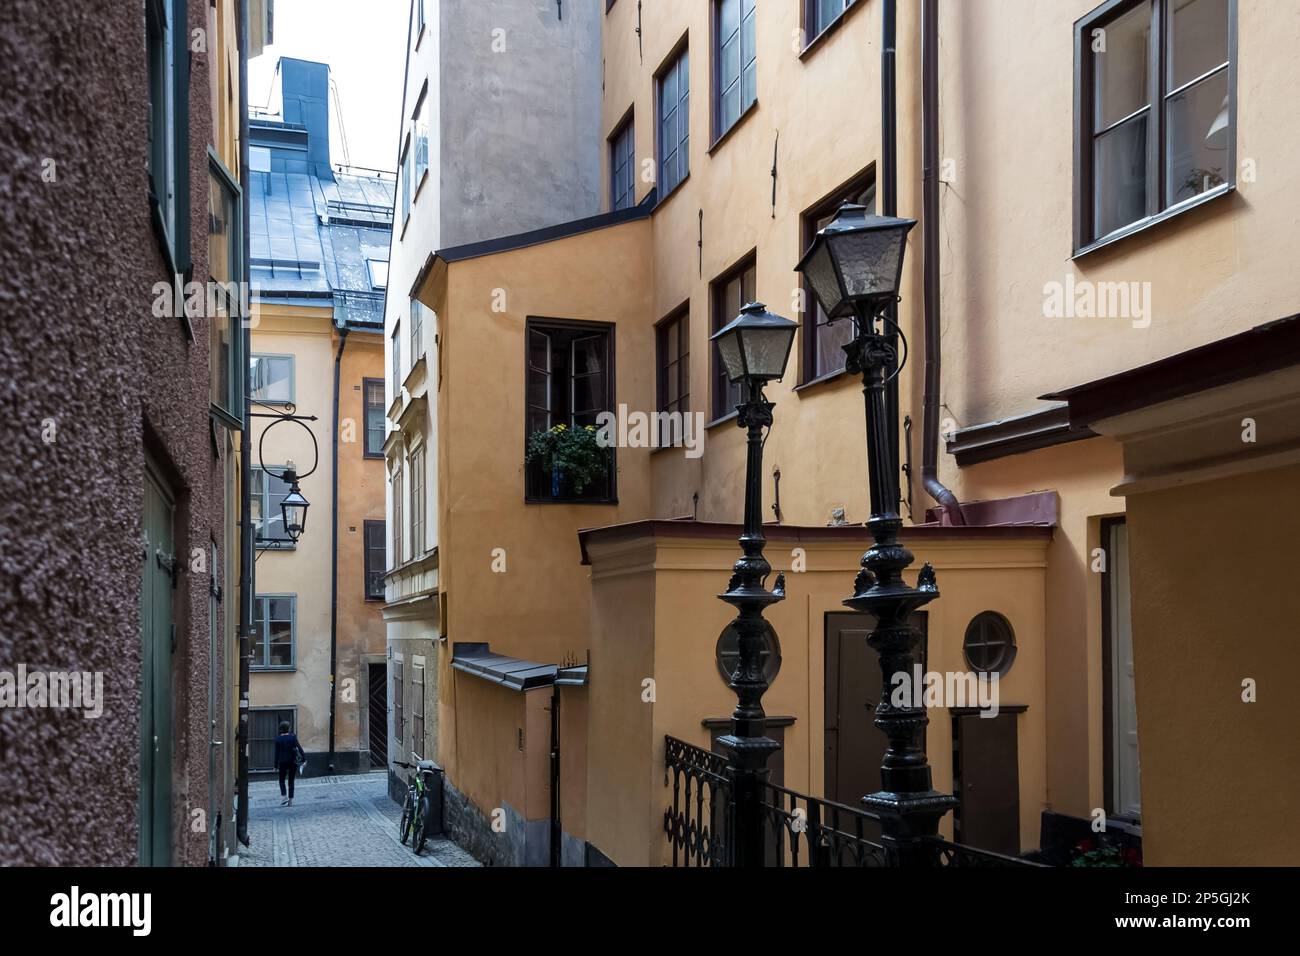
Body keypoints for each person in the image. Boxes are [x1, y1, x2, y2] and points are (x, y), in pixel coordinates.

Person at [274, 721, 306, 806]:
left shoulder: (278, 739)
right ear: (288, 728)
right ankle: (290, 801)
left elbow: (276, 753)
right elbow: (299, 748)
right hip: (292, 761)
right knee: (291, 781)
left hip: (282, 762)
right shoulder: (293, 737)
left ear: (281, 729)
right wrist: (304, 759)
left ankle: (284, 796)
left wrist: (275, 765)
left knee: (281, 780)